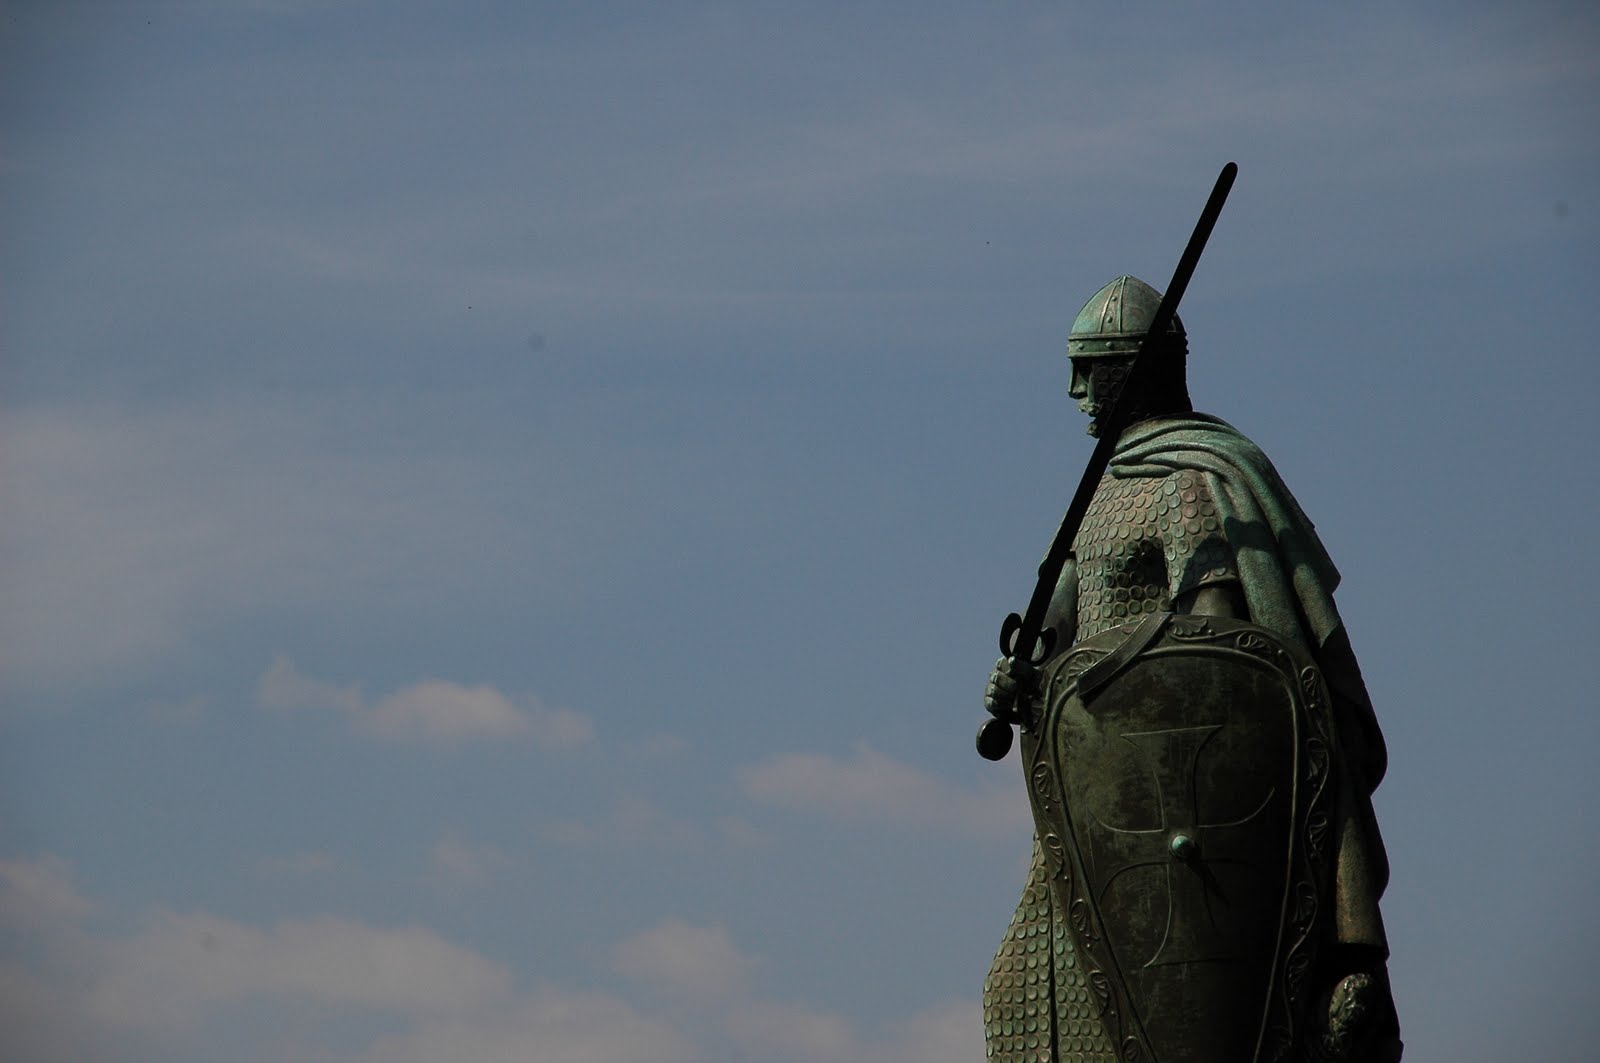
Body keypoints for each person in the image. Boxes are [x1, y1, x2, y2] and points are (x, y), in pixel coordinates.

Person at [982, 275, 1402, 1062]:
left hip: (1180, 806)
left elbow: (1212, 647)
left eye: (1090, 368)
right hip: (1102, 803)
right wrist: (1021, 675)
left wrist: (1113, 672)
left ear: (1134, 370)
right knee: (1016, 993)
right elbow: (1054, 627)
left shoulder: (1193, 479)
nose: (1076, 392)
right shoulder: (1101, 492)